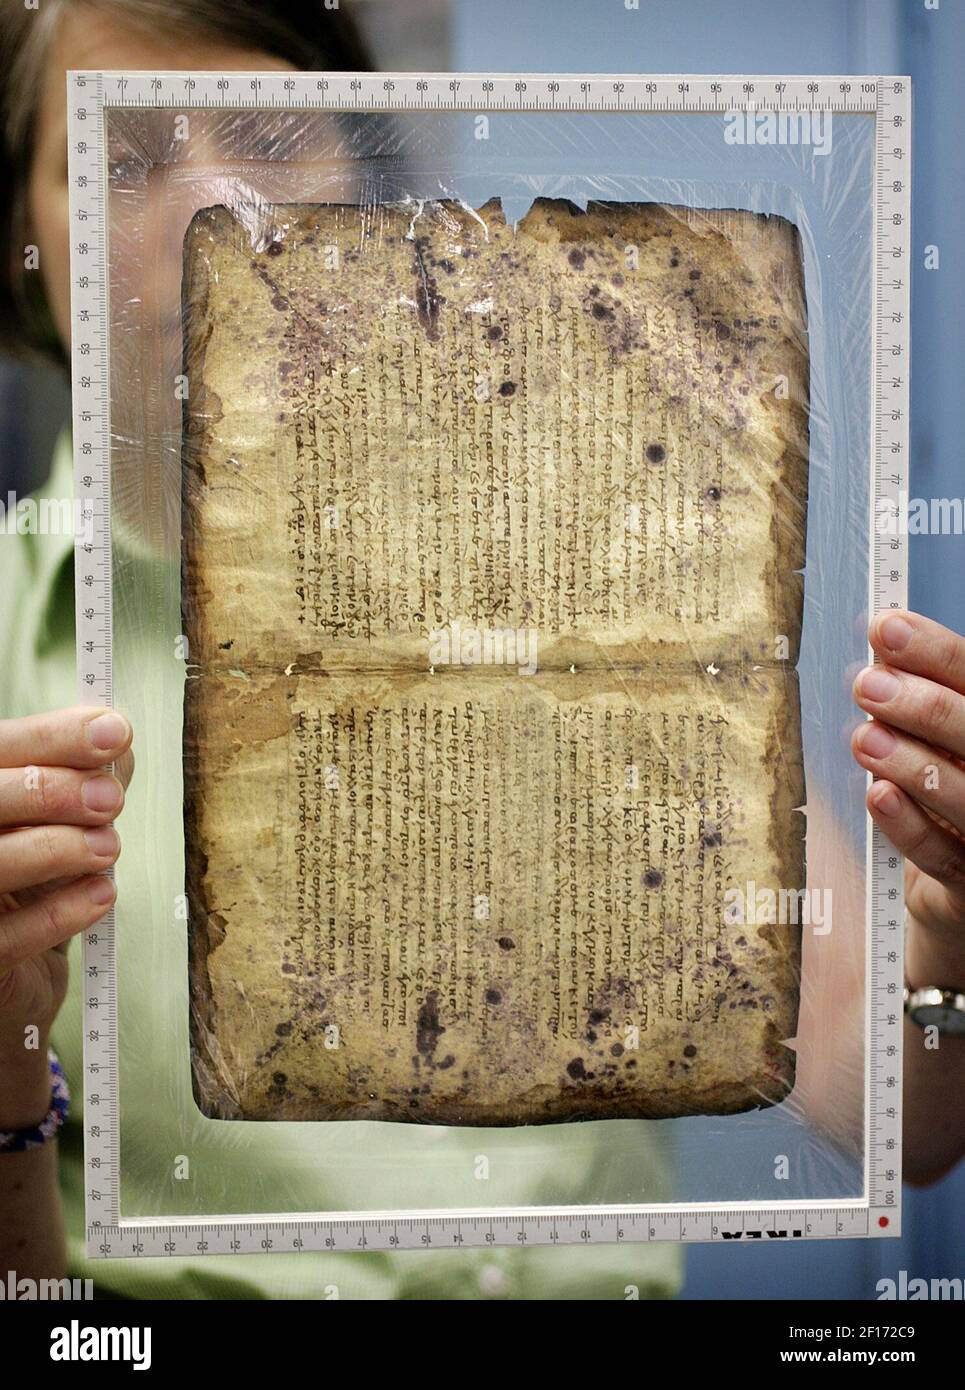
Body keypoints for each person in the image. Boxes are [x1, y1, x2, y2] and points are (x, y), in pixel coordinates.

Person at [1, 0, 963, 1302]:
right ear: (22, 239)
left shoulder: (590, 566)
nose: (214, 204)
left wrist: (949, 923)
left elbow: (898, 1106)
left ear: (359, 172)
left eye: (273, 133)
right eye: (122, 160)